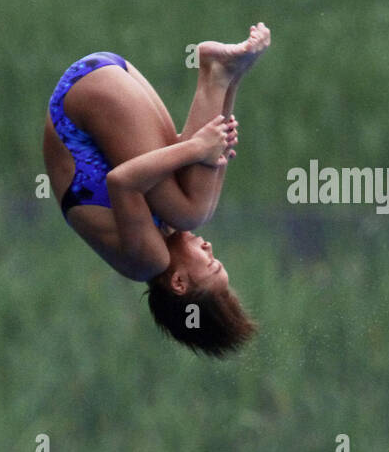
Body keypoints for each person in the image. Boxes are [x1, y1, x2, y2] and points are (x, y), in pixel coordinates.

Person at [42, 23, 270, 356]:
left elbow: (122, 182)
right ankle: (227, 77)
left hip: (83, 100)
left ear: (179, 283)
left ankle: (219, 74)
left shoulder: (147, 261)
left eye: (210, 263)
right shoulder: (164, 229)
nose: (209, 247)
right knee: (195, 193)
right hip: (103, 79)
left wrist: (197, 150)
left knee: (192, 211)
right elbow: (157, 159)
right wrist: (210, 150)